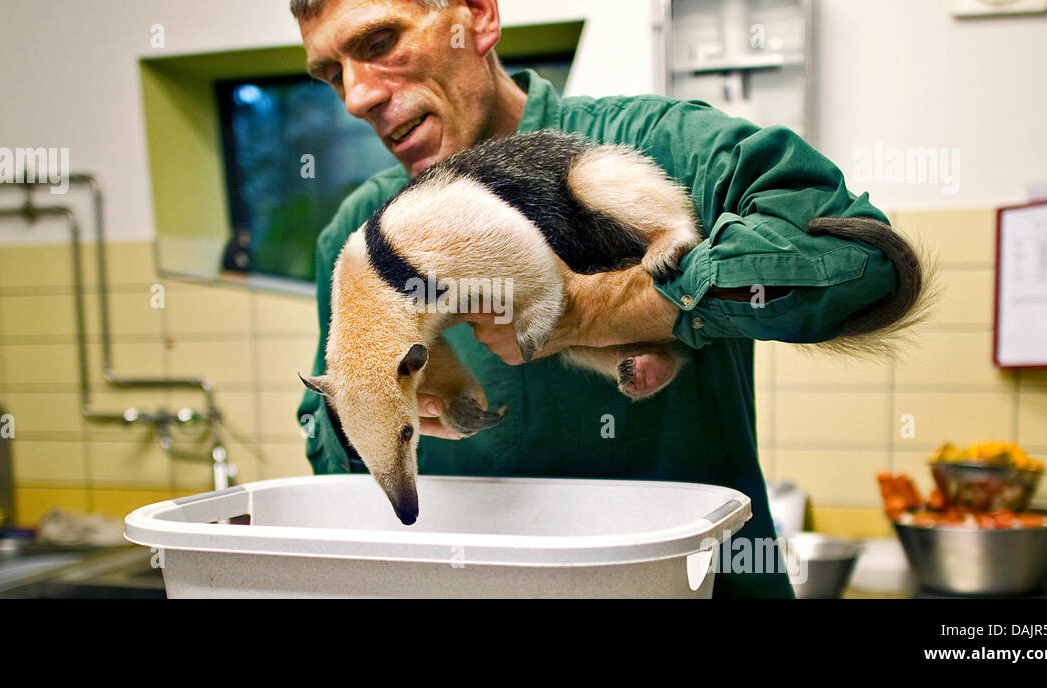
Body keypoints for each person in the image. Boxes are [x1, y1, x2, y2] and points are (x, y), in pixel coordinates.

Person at [291, 0, 899, 598]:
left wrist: (598, 309)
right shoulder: (354, 234)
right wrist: (377, 417)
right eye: (330, 73)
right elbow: (331, 459)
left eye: (379, 44)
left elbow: (861, 264)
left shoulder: (659, 145)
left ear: (477, 15)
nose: (356, 97)